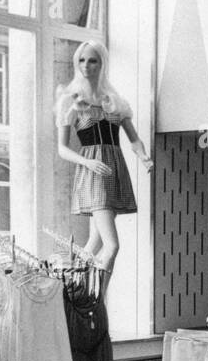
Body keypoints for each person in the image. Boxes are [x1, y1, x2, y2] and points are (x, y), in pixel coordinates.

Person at [55, 40, 152, 288]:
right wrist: (87, 162)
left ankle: (75, 291)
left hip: (115, 170)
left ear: (102, 63)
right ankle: (98, 299)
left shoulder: (114, 101)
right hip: (93, 173)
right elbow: (62, 149)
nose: (86, 66)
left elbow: (134, 139)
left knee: (94, 243)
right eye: (82, 60)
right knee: (112, 245)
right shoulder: (70, 100)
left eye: (92, 60)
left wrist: (143, 157)